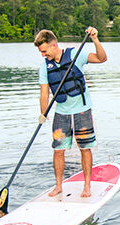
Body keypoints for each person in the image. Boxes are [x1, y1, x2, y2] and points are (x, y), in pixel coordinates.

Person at [35, 26, 107, 197]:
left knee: (85, 148)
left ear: (53, 45)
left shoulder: (75, 54)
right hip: (61, 114)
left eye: (44, 51)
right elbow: (44, 93)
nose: (43, 55)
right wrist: (43, 114)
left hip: (82, 112)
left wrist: (95, 40)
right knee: (58, 150)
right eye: (41, 52)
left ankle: (87, 186)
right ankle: (59, 186)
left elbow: (101, 58)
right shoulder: (45, 67)